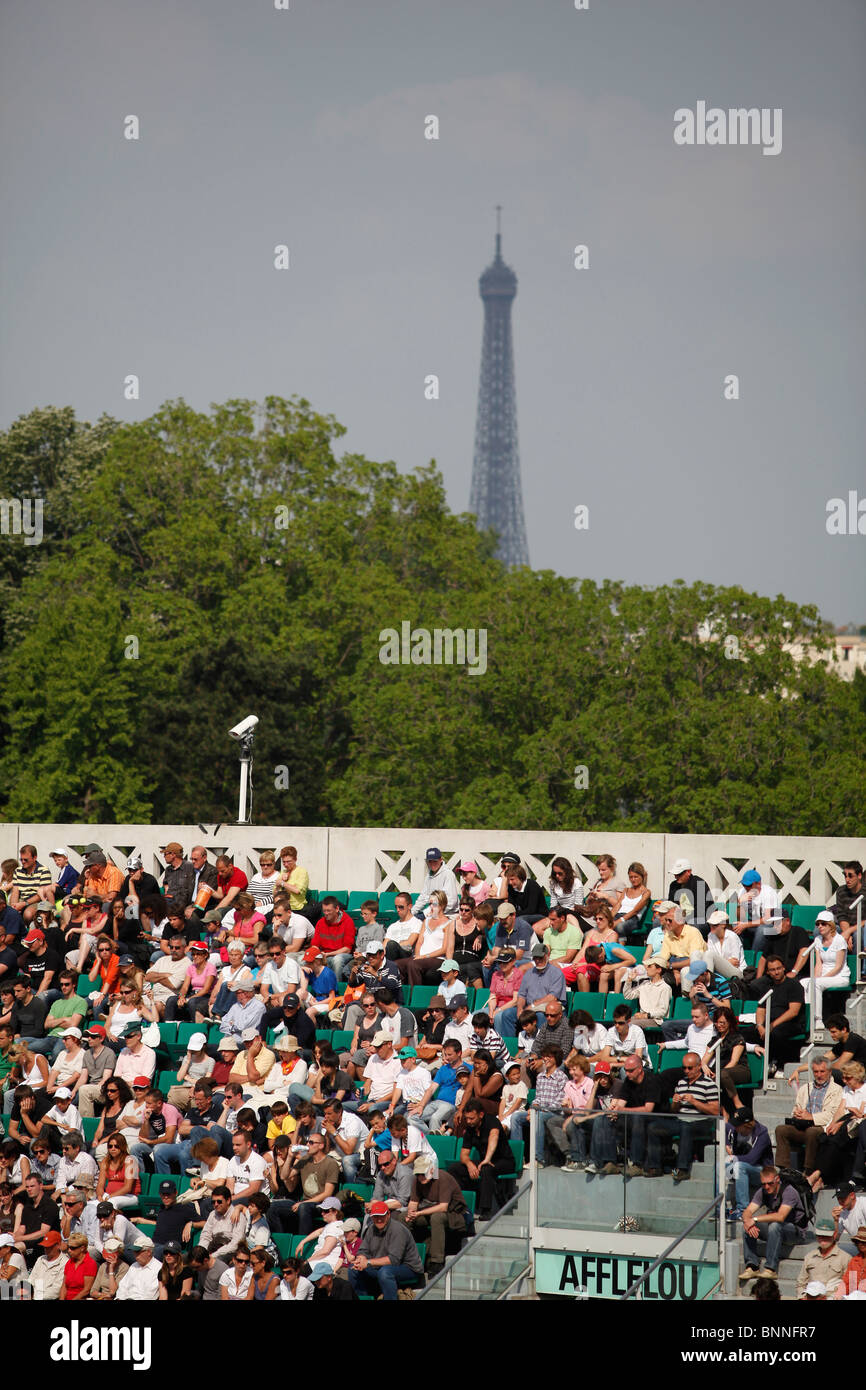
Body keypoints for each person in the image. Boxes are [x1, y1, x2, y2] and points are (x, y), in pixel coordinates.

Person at [646, 1052, 719, 1179]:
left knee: (686, 1126)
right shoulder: (681, 1083)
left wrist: (695, 1101)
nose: (686, 1071)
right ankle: (655, 1166)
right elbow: (674, 1111)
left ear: (698, 1066)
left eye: (690, 1068)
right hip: (681, 1120)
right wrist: (675, 1103)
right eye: (684, 1068)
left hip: (701, 1121)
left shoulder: (709, 1084)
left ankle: (682, 1168)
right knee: (653, 1126)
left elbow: (715, 1111)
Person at [587, 1054, 661, 1175]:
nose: (627, 1073)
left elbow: (648, 1109)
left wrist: (623, 1110)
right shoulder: (628, 1081)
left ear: (640, 1069)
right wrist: (615, 1111)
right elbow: (621, 1103)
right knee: (604, 1119)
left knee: (638, 1118)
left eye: (630, 1071)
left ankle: (637, 1164)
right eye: (625, 1070)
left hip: (651, 1118)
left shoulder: (652, 1080)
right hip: (631, 1116)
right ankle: (609, 1162)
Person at [739, 1164, 810, 1283]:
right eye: (763, 1184)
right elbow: (747, 1211)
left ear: (777, 1180)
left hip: (795, 1232)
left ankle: (770, 1269)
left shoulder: (789, 1191)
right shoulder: (762, 1191)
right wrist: (747, 1222)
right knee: (746, 1227)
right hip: (777, 1230)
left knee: (774, 1225)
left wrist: (754, 1220)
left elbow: (780, 1216)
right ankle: (752, 1266)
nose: (766, 1187)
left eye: (770, 1183)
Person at [448, 1100, 515, 1220]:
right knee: (455, 1168)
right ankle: (462, 1203)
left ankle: (486, 1210)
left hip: (504, 1161)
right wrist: (469, 1164)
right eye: (467, 1118)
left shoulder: (492, 1122)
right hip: (484, 1161)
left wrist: (487, 1159)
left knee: (486, 1169)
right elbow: (463, 1154)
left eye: (472, 1118)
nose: (468, 1121)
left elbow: (493, 1138)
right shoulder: (470, 1129)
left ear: (481, 1115)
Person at [774, 1057, 843, 1172]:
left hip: (821, 1127)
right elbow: (797, 1106)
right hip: (802, 1125)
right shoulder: (805, 1088)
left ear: (829, 1072)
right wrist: (797, 1113)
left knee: (812, 1132)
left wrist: (811, 1117)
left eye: (822, 1071)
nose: (819, 1075)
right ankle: (784, 1169)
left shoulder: (837, 1090)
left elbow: (833, 1114)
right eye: (816, 1072)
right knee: (781, 1129)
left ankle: (808, 1169)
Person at [805, 1062, 866, 1192]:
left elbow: (861, 1114)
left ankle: (818, 1174)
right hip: (845, 1124)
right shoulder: (846, 1090)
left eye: (847, 1078)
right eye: (843, 1078)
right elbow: (840, 1110)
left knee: (836, 1140)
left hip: (857, 1126)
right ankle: (820, 1178)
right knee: (827, 1137)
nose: (844, 1081)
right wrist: (833, 1124)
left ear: (857, 1077)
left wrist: (840, 1123)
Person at [347, 1200, 424, 1300]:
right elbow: (363, 1250)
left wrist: (368, 1262)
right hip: (381, 1266)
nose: (379, 1219)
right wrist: (360, 1260)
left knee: (385, 1272)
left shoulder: (398, 1230)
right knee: (353, 1268)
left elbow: (394, 1260)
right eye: (376, 1216)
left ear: (388, 1214)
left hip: (408, 1268)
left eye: (381, 1216)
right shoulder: (371, 1229)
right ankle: (364, 1298)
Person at [406, 1155, 468, 1273]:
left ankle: (437, 1261)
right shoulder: (417, 1180)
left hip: (454, 1213)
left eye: (423, 1173)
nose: (420, 1177)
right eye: (418, 1174)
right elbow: (414, 1202)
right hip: (429, 1211)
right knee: (402, 1217)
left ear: (432, 1170)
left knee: (437, 1218)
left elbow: (443, 1207)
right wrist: (411, 1213)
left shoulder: (443, 1178)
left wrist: (419, 1213)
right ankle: (408, 1254)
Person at [748, 956, 805, 1077]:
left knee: (776, 1033)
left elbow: (793, 1012)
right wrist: (759, 1026)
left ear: (784, 968)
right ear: (768, 972)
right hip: (770, 1023)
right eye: (772, 970)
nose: (776, 972)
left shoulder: (794, 985)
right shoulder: (766, 987)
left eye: (779, 968)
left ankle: (779, 1064)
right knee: (746, 1032)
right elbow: (760, 1009)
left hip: (791, 1023)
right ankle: (756, 1066)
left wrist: (772, 1025)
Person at [496, 941, 567, 1038]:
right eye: (535, 957)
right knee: (507, 1015)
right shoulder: (529, 973)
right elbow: (521, 995)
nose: (537, 960)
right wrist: (520, 1009)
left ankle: (539, 1048)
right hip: (528, 1008)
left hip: (546, 1009)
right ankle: (510, 1046)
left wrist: (532, 1006)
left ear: (547, 956)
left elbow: (552, 997)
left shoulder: (556, 973)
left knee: (540, 1017)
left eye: (540, 957)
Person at [725, 1109, 773, 1220]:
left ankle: (742, 1210)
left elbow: (752, 1159)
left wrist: (733, 1158)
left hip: (762, 1172)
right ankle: (719, 1208)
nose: (735, 1127)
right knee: (719, 1166)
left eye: (738, 1125)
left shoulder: (762, 1133)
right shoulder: (735, 1130)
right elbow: (727, 1127)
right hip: (742, 1168)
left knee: (737, 1166)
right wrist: (727, 1144)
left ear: (747, 1125)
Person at [811, 912, 850, 1028]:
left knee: (816, 983)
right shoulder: (817, 940)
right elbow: (818, 963)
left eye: (823, 924)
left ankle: (818, 1019)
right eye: (818, 924)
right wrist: (816, 977)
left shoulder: (839, 940)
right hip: (824, 977)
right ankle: (808, 1016)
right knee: (804, 983)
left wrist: (821, 979)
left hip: (840, 976)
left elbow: (838, 966)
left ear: (831, 925)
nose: (820, 926)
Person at [797, 1219, 849, 1298]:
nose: (823, 1238)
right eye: (820, 1235)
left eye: (827, 1236)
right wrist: (802, 1297)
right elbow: (800, 1283)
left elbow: (851, 1285)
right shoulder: (809, 1257)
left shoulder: (846, 1258)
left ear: (834, 1235)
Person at [666, 859, 715, 934]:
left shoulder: (699, 883)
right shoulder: (673, 885)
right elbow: (671, 904)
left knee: (692, 924)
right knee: (659, 921)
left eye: (679, 874)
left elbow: (701, 910)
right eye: (675, 874)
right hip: (680, 918)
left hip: (701, 919)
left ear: (688, 872)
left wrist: (682, 917)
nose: (676, 876)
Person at [96, 1133, 140, 1211]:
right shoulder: (105, 1161)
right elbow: (100, 1185)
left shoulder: (130, 1161)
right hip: (109, 1195)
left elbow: (128, 1188)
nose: (113, 1149)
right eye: (110, 1146)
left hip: (129, 1196)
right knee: (92, 1204)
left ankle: (110, 1223)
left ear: (122, 1147)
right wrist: (99, 1196)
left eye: (116, 1146)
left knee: (110, 1203)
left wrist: (110, 1196)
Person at [28, 1228, 66, 1300]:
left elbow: (56, 1289)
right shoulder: (40, 1259)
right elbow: (31, 1280)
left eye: (49, 1247)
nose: (46, 1249)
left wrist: (36, 1297)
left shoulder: (65, 1262)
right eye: (45, 1247)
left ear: (58, 1245)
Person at [59, 1231, 97, 1301]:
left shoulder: (90, 1263)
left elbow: (86, 1290)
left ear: (82, 1248)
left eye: (72, 1248)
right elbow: (64, 1286)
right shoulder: (69, 1262)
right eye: (68, 1247)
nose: (69, 1250)